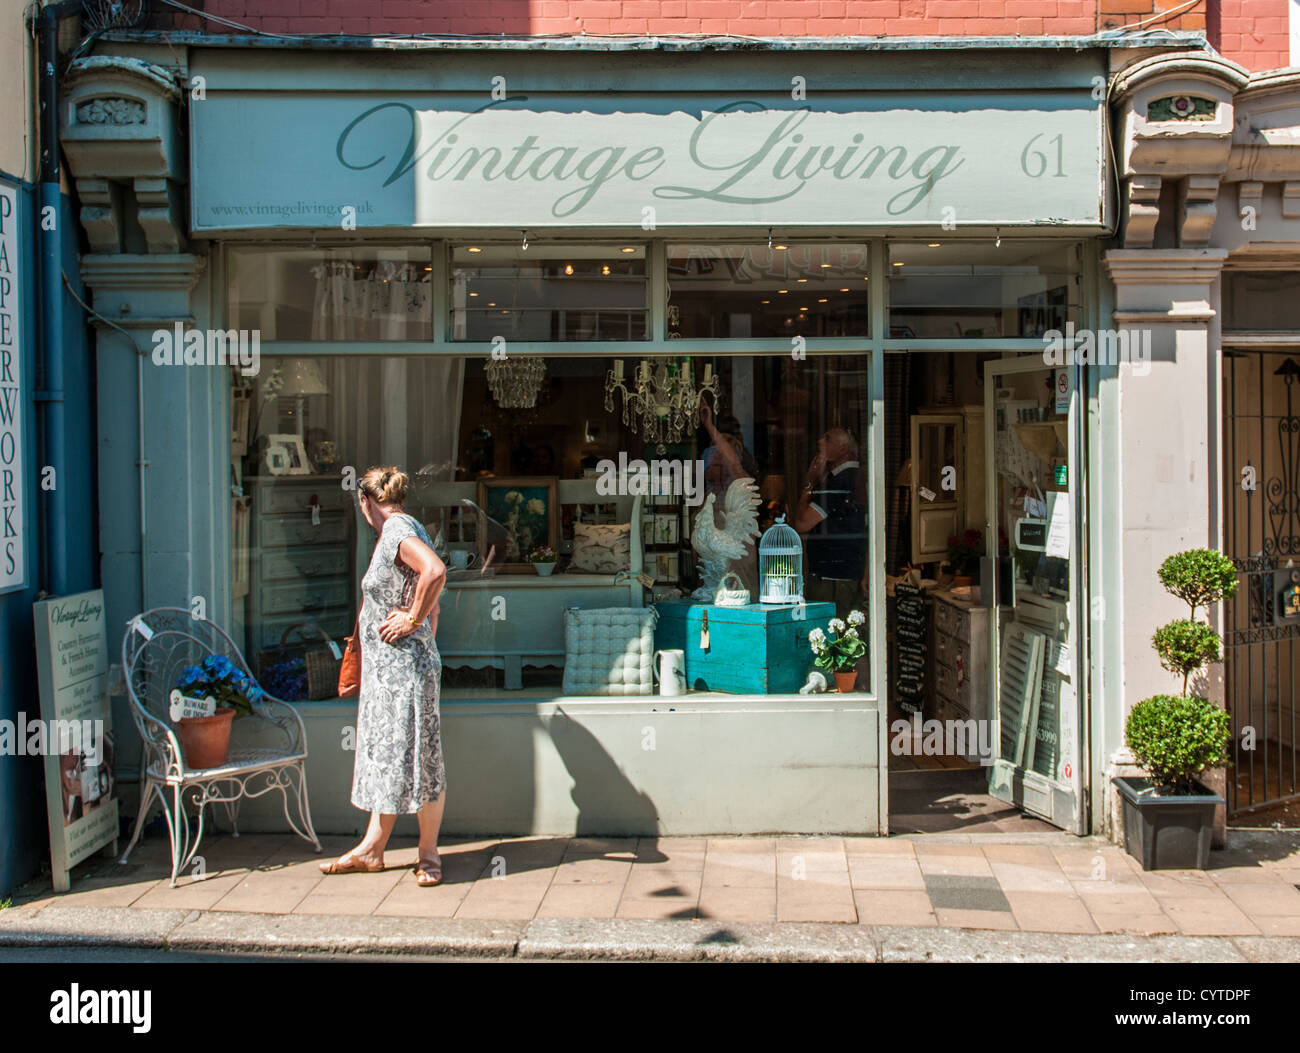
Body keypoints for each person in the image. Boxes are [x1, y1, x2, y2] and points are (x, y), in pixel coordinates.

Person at [320, 466, 449, 887]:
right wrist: (423, 627)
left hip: (402, 673)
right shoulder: (405, 527)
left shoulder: (396, 531)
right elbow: (435, 603)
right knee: (392, 758)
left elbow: (434, 571)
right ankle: (373, 849)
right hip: (394, 672)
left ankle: (428, 857)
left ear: (365, 502)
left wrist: (411, 622)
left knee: (421, 761)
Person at [793, 427, 869, 622]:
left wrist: (809, 482)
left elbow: (802, 523)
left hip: (833, 579)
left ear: (843, 449)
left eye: (827, 439)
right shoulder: (851, 477)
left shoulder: (841, 482)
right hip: (845, 572)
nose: (820, 441)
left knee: (830, 636)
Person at [699, 402, 761, 598]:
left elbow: (733, 464)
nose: (715, 459)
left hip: (738, 552)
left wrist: (709, 426)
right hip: (714, 556)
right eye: (712, 454)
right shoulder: (709, 486)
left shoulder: (740, 481)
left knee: (740, 593)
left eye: (720, 454)